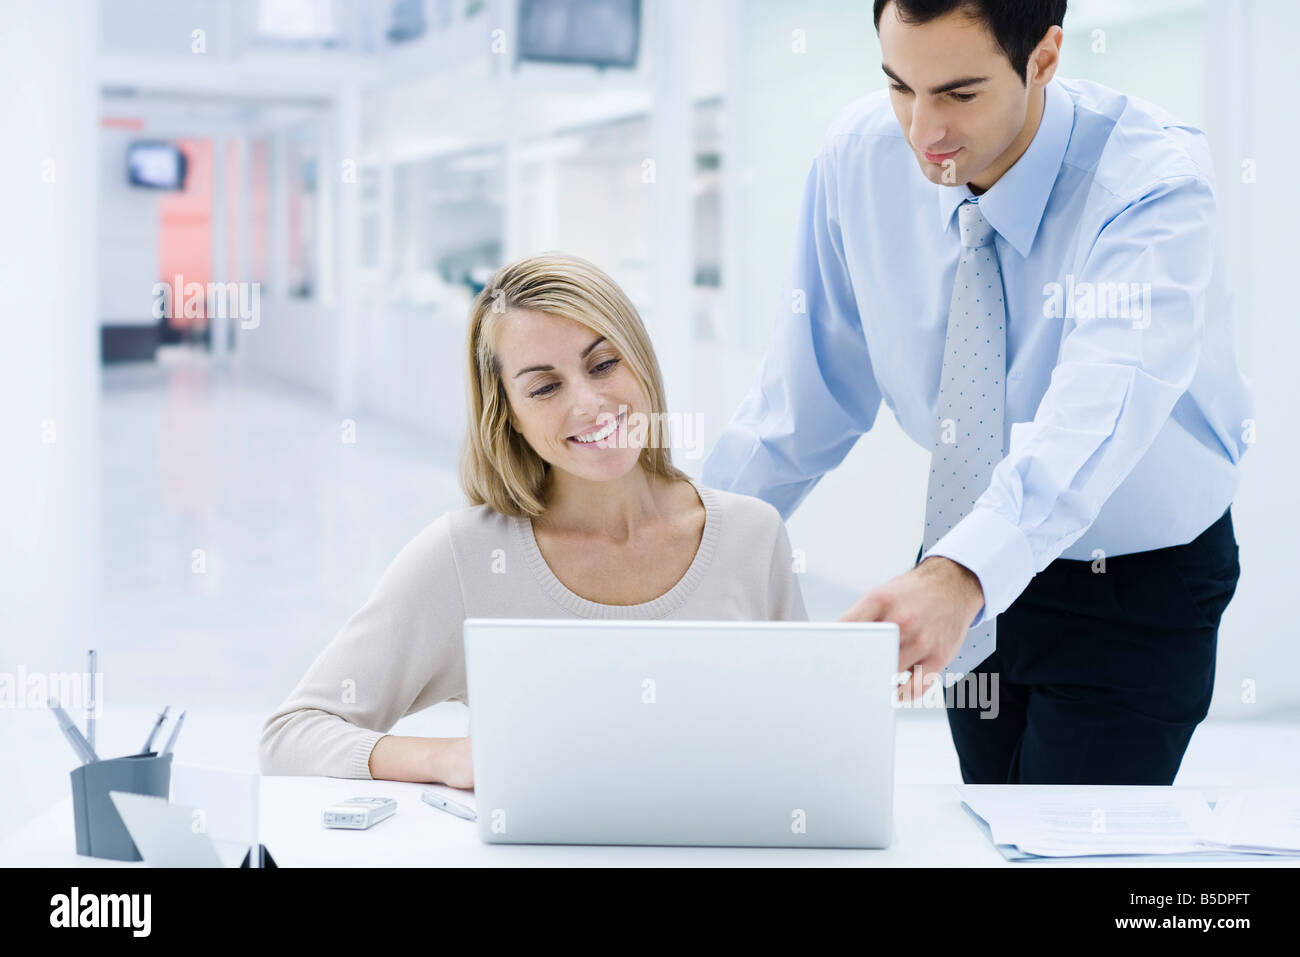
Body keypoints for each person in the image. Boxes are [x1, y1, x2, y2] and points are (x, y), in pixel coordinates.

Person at [702, 0, 1251, 785]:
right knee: (994, 817)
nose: (924, 132)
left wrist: (962, 573)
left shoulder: (1149, 183)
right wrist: (683, 548)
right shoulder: (858, 157)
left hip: (1133, 576)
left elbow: (1100, 404)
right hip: (965, 550)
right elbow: (805, 398)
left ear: (1044, 58)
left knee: (1065, 840)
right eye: (900, 86)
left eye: (960, 94)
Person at [261, 252, 806, 785]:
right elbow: (292, 736)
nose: (589, 403)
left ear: (640, 360)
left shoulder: (752, 536)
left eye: (604, 364)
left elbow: (804, 737)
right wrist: (445, 759)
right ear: (511, 417)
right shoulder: (466, 556)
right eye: (545, 387)